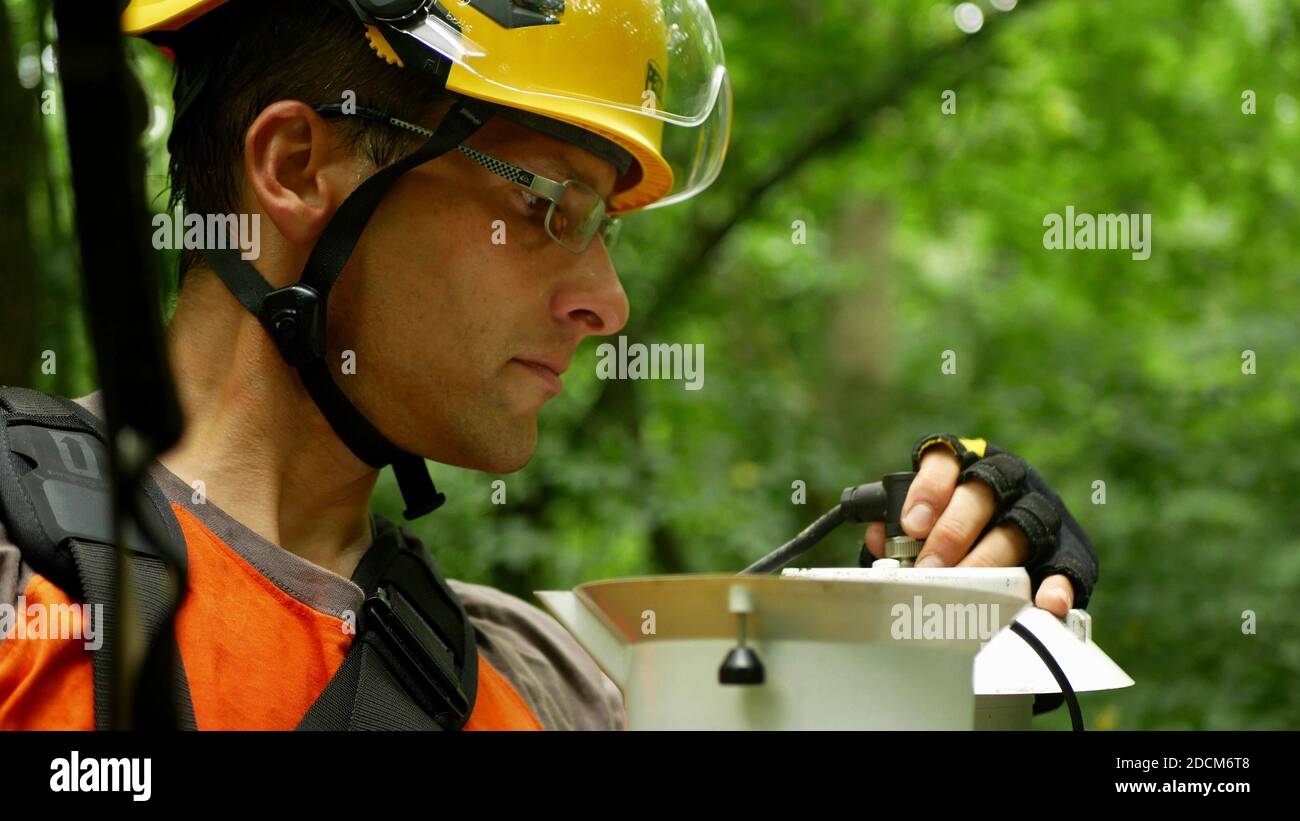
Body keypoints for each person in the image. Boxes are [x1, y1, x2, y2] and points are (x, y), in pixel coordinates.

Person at [0, 0, 1093, 730]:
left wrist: (946, 627)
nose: (608, 304)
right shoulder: (22, 572)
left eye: (603, 226)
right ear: (296, 166)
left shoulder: (537, 678)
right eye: (547, 205)